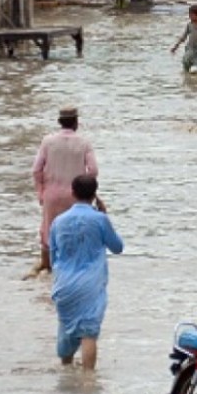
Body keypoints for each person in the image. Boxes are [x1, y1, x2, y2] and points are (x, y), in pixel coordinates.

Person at [48, 175, 122, 370]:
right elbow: (117, 247)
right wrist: (105, 216)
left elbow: (53, 256)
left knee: (66, 332)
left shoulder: (58, 222)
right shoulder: (99, 219)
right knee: (88, 333)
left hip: (63, 285)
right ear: (94, 194)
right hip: (90, 285)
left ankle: (67, 377)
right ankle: (88, 382)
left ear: (72, 192)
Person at [30, 107, 98, 278]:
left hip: (51, 194)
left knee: (48, 228)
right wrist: (86, 190)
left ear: (60, 122)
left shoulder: (48, 142)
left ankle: (47, 264)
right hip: (76, 194)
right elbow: (94, 170)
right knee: (75, 229)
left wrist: (41, 191)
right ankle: (72, 263)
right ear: (76, 122)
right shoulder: (84, 143)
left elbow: (36, 170)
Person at [170, 4, 197, 71]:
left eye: (191, 15)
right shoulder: (189, 25)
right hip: (191, 49)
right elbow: (183, 37)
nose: (189, 17)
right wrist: (175, 47)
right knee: (186, 61)